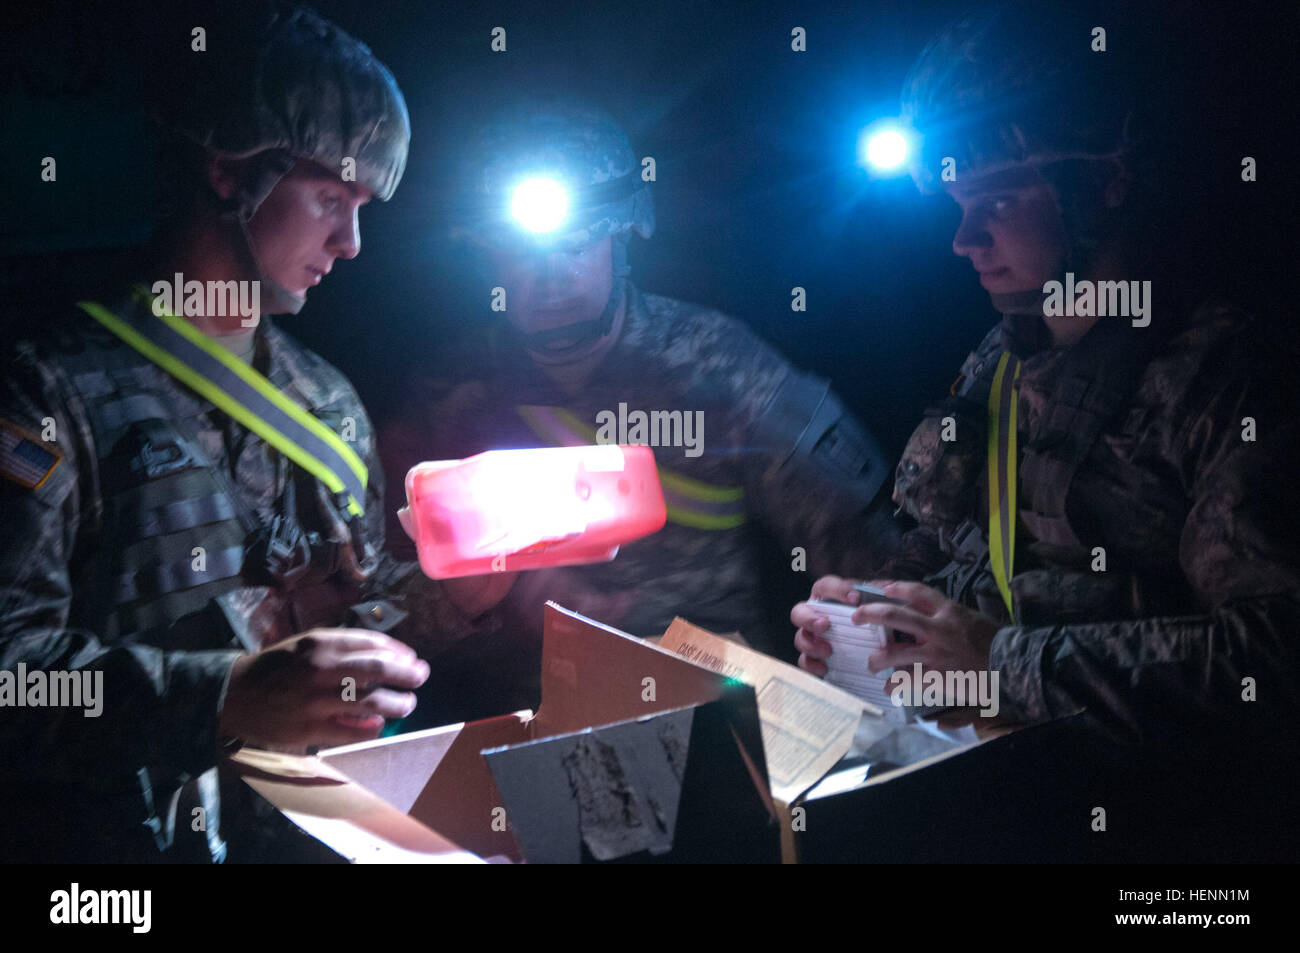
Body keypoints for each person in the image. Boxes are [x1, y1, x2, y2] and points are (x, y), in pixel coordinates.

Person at [790, 4, 1300, 854]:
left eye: (994, 199)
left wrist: (1002, 664)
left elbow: (1273, 659)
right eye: (956, 202)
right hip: (1008, 798)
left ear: (1104, 184)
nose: (962, 238)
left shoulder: (1227, 374)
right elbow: (967, 555)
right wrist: (873, 619)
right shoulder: (1000, 359)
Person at [0, 2, 493, 863]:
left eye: (365, 206)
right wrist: (220, 696)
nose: (351, 242)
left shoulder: (326, 401)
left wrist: (454, 597)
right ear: (231, 172)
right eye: (331, 198)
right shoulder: (51, 390)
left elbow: (362, 618)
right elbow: (14, 678)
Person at [381, 98, 901, 725]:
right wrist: (476, 601)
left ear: (620, 239)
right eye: (520, 252)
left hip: (716, 716)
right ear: (487, 258)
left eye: (576, 245)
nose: (550, 275)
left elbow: (869, 558)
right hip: (522, 731)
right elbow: (387, 625)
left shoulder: (714, 364)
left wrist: (877, 718)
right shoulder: (453, 391)